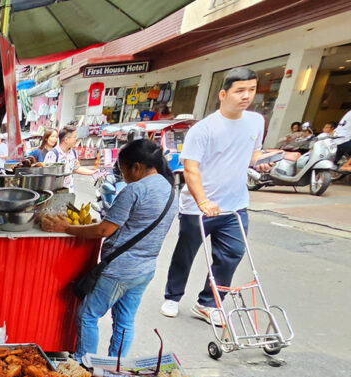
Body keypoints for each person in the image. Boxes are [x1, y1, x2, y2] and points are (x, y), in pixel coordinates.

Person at [160, 66, 277, 326]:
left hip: (235, 205)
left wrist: (262, 162)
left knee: (231, 254)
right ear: (223, 94)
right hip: (198, 206)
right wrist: (202, 200)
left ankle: (209, 302)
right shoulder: (203, 129)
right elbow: (190, 169)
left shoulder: (256, 121)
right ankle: (172, 296)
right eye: (240, 91)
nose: (246, 96)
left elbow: (252, 153)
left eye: (251, 90)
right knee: (186, 252)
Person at [42, 139, 178, 359]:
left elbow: (103, 230)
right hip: (145, 269)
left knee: (87, 315)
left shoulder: (135, 190)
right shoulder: (171, 191)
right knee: (124, 321)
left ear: (136, 166)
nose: (123, 175)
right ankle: (114, 368)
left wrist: (65, 227)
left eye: (123, 169)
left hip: (120, 270)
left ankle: (85, 364)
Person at [43, 125, 95, 190]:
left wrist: (93, 172)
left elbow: (76, 168)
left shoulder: (73, 153)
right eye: (74, 137)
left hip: (69, 191)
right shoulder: (53, 154)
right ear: (66, 140)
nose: (76, 139)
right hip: (55, 192)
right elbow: (46, 175)